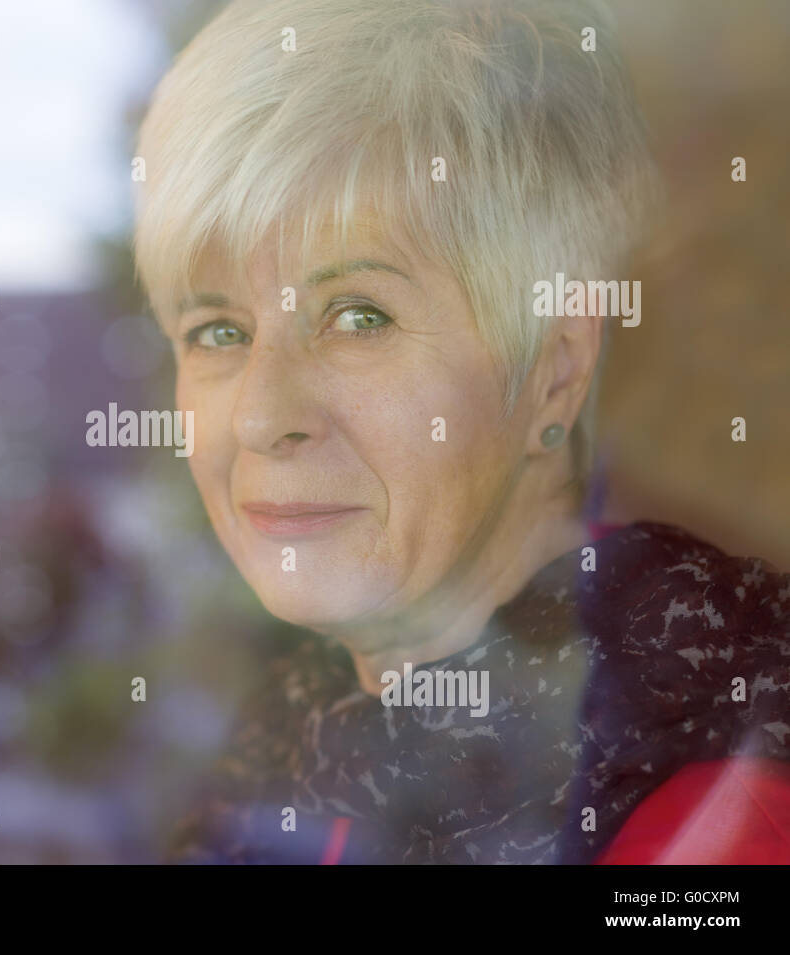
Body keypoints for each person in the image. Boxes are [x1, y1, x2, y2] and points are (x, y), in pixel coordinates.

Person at [131, 0, 790, 863]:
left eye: (358, 315)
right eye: (218, 330)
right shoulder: (287, 745)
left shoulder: (720, 799)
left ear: (555, 366)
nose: (261, 417)